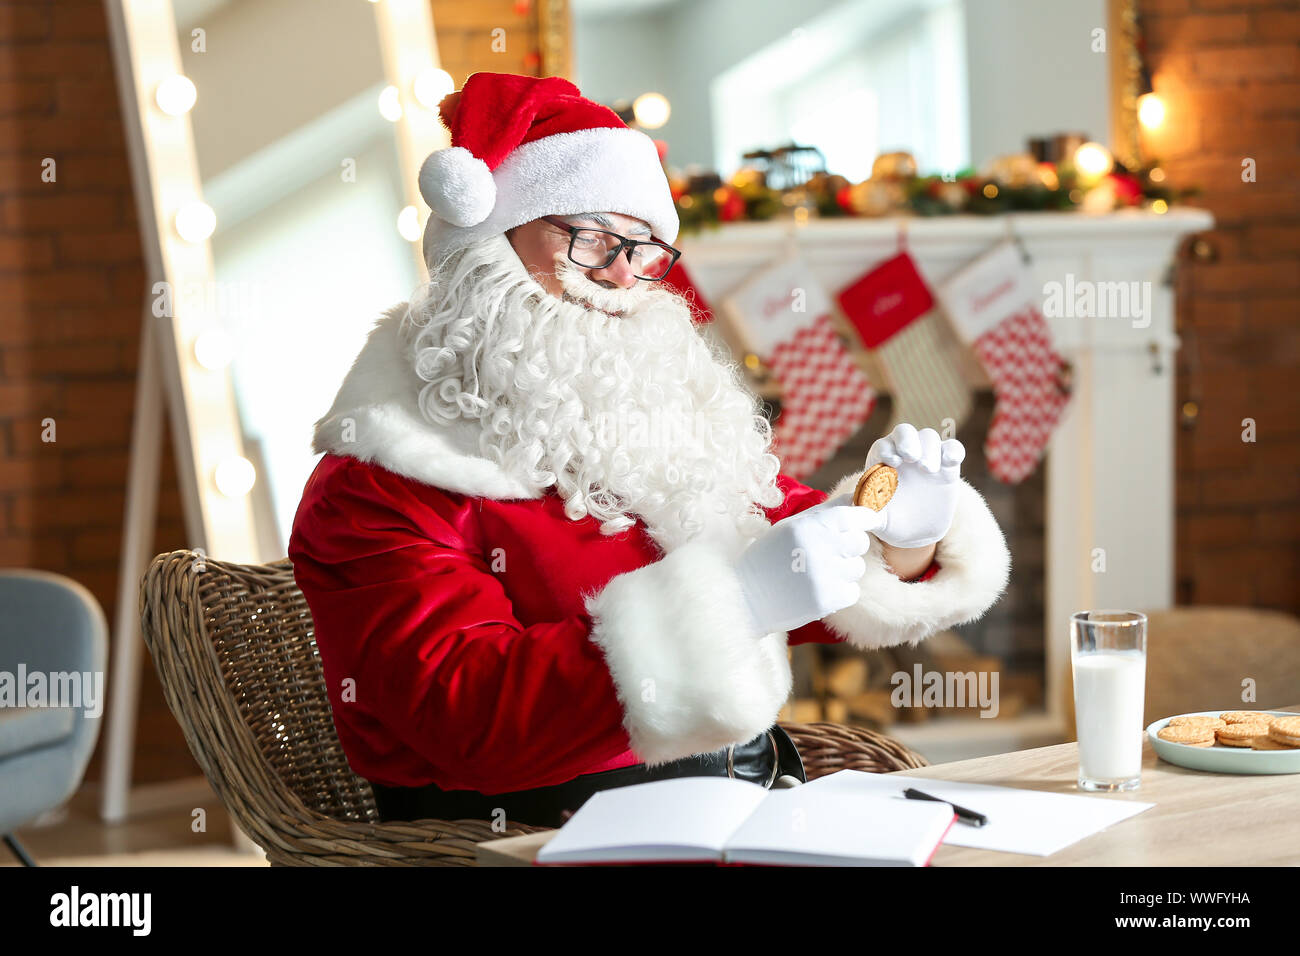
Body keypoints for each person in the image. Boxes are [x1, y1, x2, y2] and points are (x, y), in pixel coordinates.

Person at [287, 71, 1011, 829]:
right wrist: (737, 605)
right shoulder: (380, 481)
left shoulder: (634, 410)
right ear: (486, 247)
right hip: (540, 833)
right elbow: (467, 713)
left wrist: (901, 537)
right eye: (596, 238)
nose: (627, 276)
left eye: (646, 249)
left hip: (743, 804)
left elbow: (788, 545)